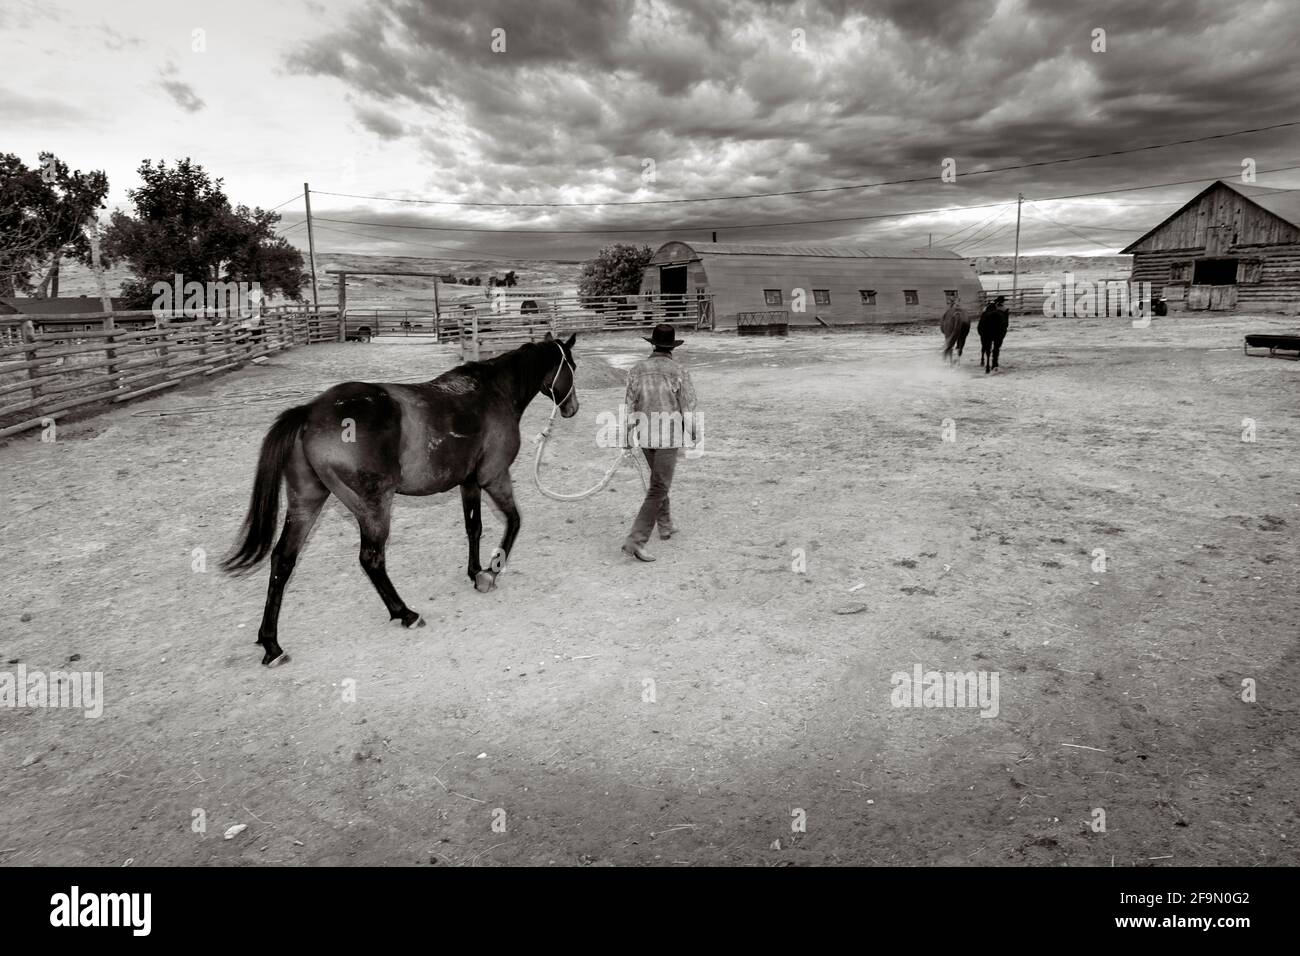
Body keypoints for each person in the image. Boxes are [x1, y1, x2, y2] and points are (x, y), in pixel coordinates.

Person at [621, 323, 699, 562]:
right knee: (659, 487)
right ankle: (635, 540)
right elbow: (687, 405)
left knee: (658, 481)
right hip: (668, 437)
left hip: (645, 436)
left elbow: (629, 405)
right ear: (671, 348)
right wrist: (693, 430)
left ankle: (665, 525)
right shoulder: (678, 371)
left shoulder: (636, 370)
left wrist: (627, 435)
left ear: (653, 344)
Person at [978, 295, 1010, 374]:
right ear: (1002, 302)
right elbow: (1006, 324)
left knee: (987, 344)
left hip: (985, 330)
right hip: (999, 332)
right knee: (996, 347)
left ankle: (987, 364)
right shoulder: (1004, 309)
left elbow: (983, 313)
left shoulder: (988, 307)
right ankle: (994, 364)